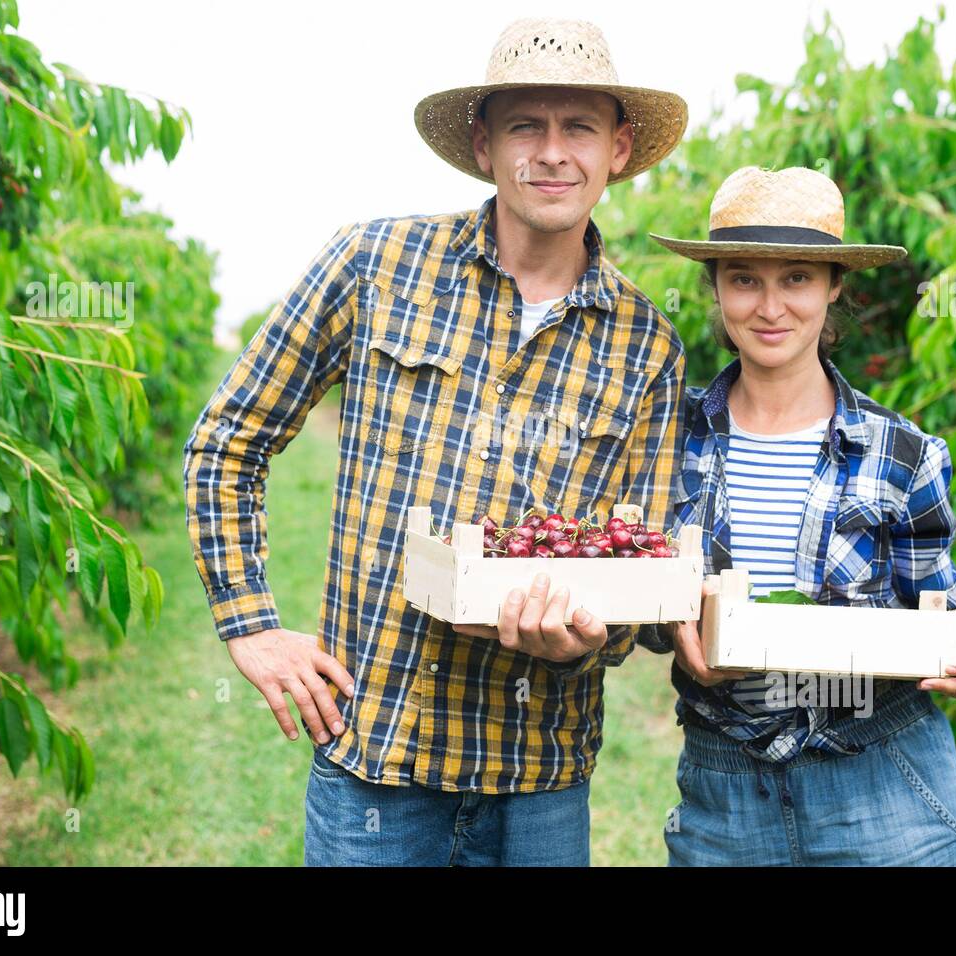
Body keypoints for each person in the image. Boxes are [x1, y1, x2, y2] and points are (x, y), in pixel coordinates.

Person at [182, 18, 688, 866]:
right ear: (485, 143)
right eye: (527, 124)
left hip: (538, 779)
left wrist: (590, 635)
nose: (552, 152)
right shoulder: (375, 265)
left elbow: (640, 571)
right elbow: (230, 437)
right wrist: (250, 624)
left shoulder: (648, 346)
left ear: (620, 149)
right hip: (376, 756)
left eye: (580, 128)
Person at [640, 165, 956, 866]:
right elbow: (647, 603)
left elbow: (934, 618)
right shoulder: (668, 441)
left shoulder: (903, 455)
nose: (770, 306)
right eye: (744, 278)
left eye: (798, 278)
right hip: (725, 801)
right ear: (715, 288)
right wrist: (675, 634)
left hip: (885, 797)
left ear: (835, 285)